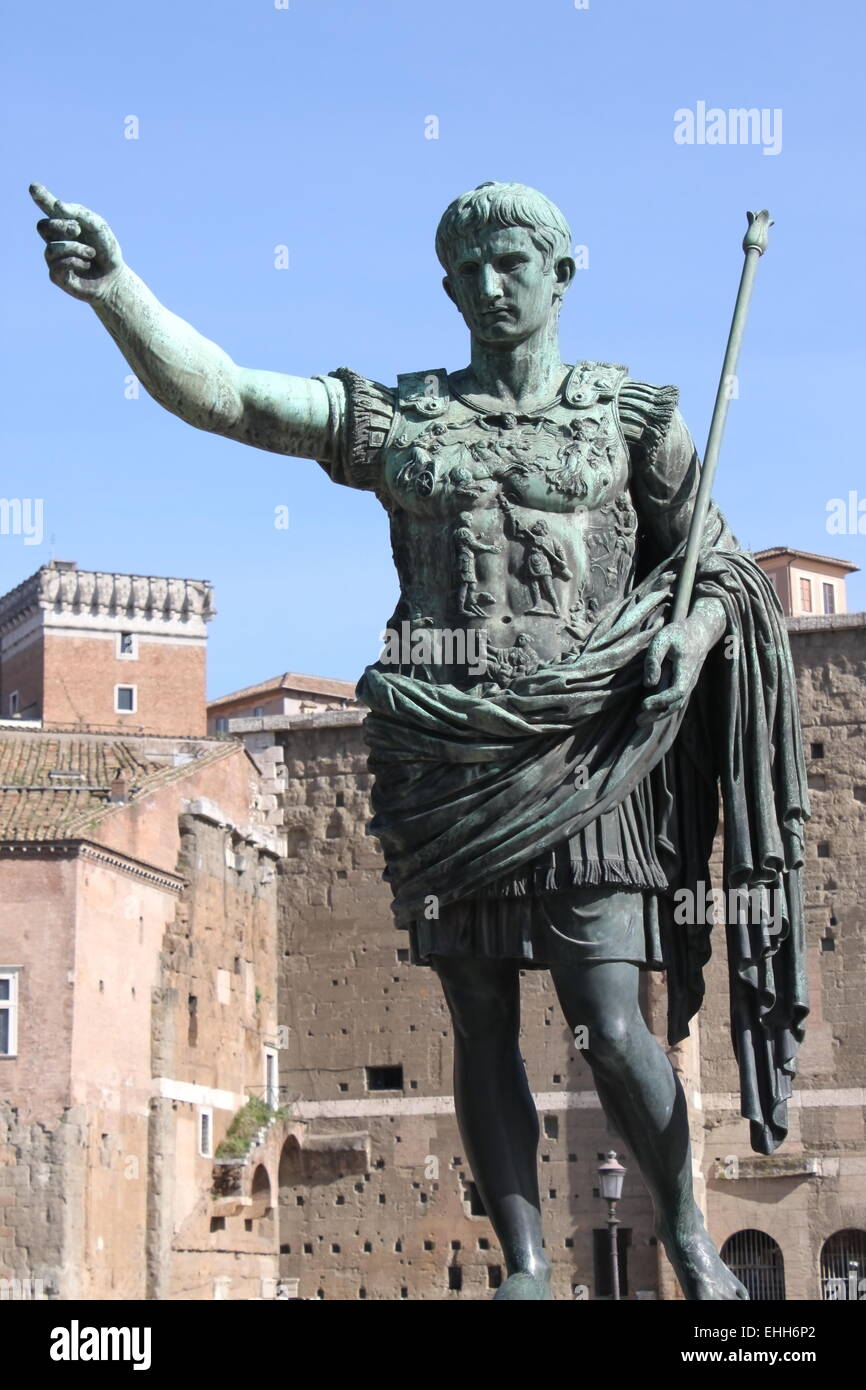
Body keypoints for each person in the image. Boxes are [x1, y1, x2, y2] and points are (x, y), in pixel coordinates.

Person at [31, 178, 808, 1301]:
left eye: (512, 263)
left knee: (607, 1014)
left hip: (587, 755)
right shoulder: (405, 420)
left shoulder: (630, 418)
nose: (491, 285)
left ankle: (688, 1232)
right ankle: (528, 1264)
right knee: (477, 1009)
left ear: (560, 275)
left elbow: (720, 567)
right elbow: (233, 396)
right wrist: (118, 294)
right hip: (445, 762)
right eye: (470, 269)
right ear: (447, 286)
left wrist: (686, 639)